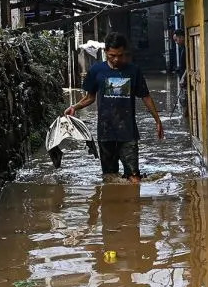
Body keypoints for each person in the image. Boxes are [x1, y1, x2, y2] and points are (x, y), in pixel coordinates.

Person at [65, 32, 164, 183]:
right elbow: (90, 97)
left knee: (134, 178)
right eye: (112, 55)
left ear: (125, 52)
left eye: (120, 55)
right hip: (106, 133)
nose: (116, 59)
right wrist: (74, 107)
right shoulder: (96, 70)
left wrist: (157, 120)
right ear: (105, 52)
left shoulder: (134, 71)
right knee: (109, 177)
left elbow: (145, 96)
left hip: (128, 132)